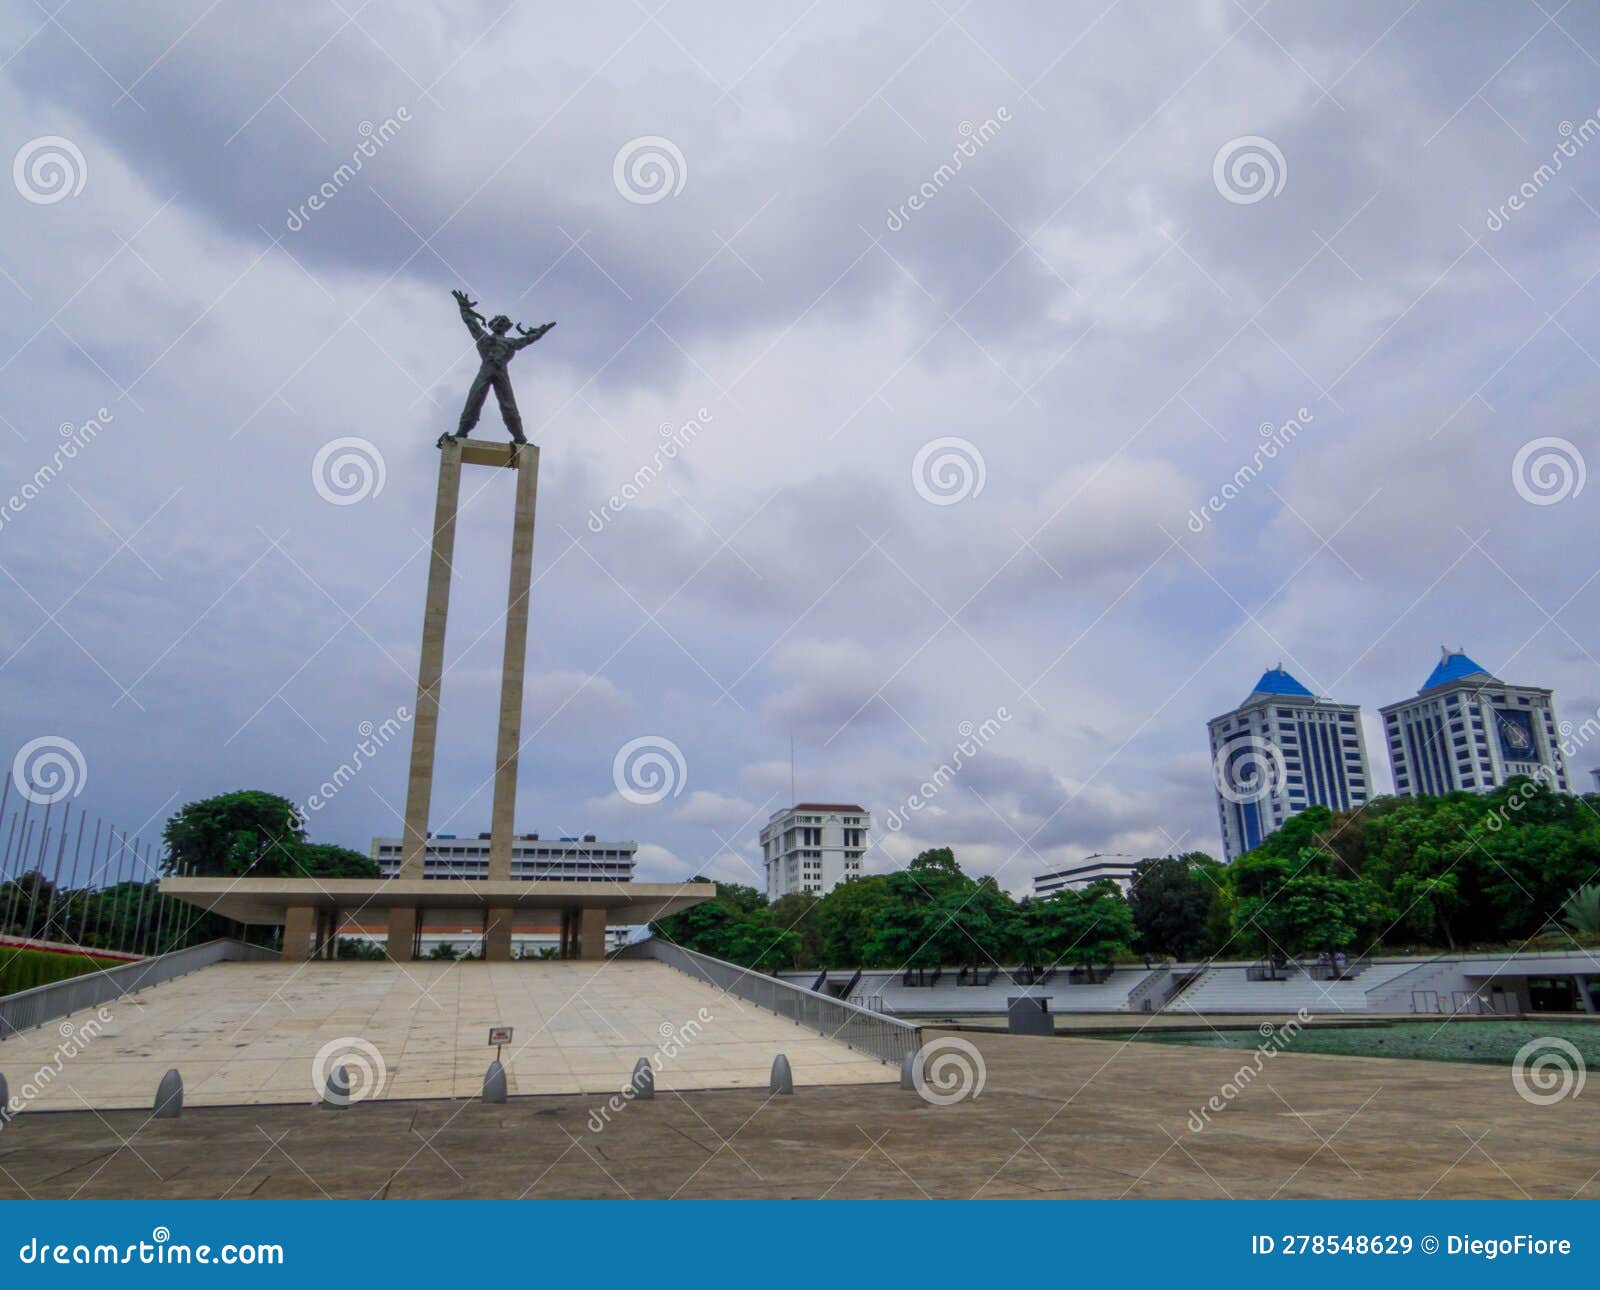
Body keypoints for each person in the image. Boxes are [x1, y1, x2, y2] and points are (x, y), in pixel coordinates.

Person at [451, 289, 556, 444]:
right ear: (492, 325)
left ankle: (519, 437)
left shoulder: (510, 342)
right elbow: (470, 322)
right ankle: (462, 432)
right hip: (487, 369)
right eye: (498, 321)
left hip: (501, 372)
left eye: (503, 322)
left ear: (507, 327)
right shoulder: (484, 338)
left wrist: (540, 332)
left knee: (508, 405)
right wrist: (464, 308)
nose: (500, 323)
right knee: (474, 399)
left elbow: (528, 340)